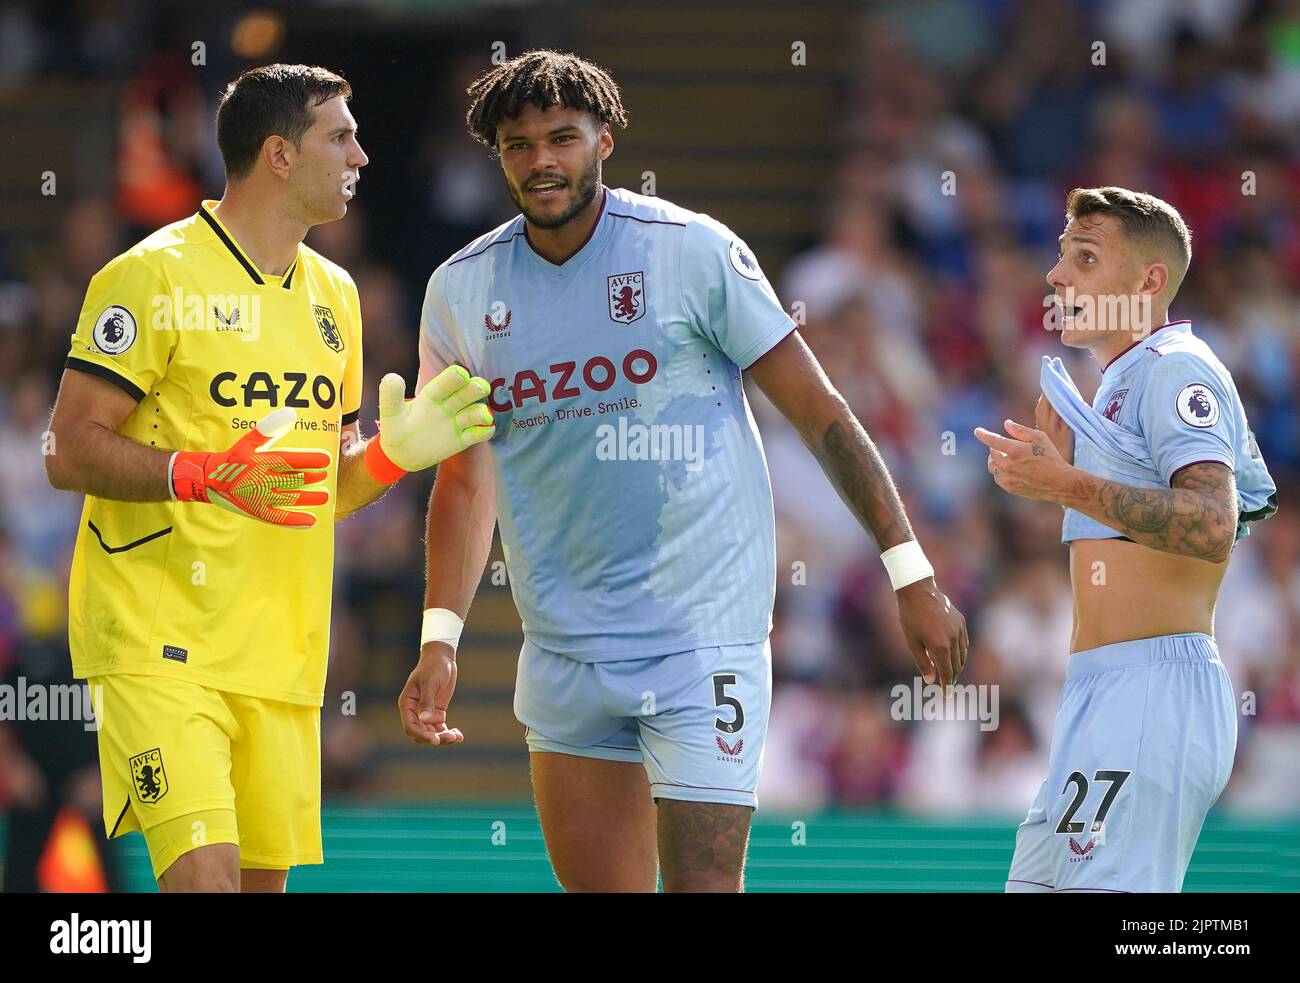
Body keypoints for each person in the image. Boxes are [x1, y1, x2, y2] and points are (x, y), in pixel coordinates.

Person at [398, 49, 967, 892]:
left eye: (563, 137)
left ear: (606, 139)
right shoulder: (460, 289)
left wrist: (909, 570)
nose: (542, 161)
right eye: (518, 146)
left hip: (702, 642)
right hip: (562, 646)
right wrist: (440, 638)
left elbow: (823, 415)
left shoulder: (692, 251)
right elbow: (465, 477)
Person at [45, 64, 494, 892]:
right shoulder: (152, 276)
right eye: (342, 136)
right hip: (160, 643)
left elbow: (318, 489)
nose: (362, 155)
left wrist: (394, 455)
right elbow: (68, 448)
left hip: (283, 657)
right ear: (280, 155)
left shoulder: (338, 296)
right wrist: (205, 474)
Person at [975, 186, 1277, 892]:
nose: (1056, 276)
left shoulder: (1177, 367)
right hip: (1096, 692)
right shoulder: (1116, 381)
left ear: (1148, 281)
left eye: (1084, 257)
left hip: (1152, 690)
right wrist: (1053, 484)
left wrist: (1067, 486)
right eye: (1060, 254)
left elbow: (1211, 522)